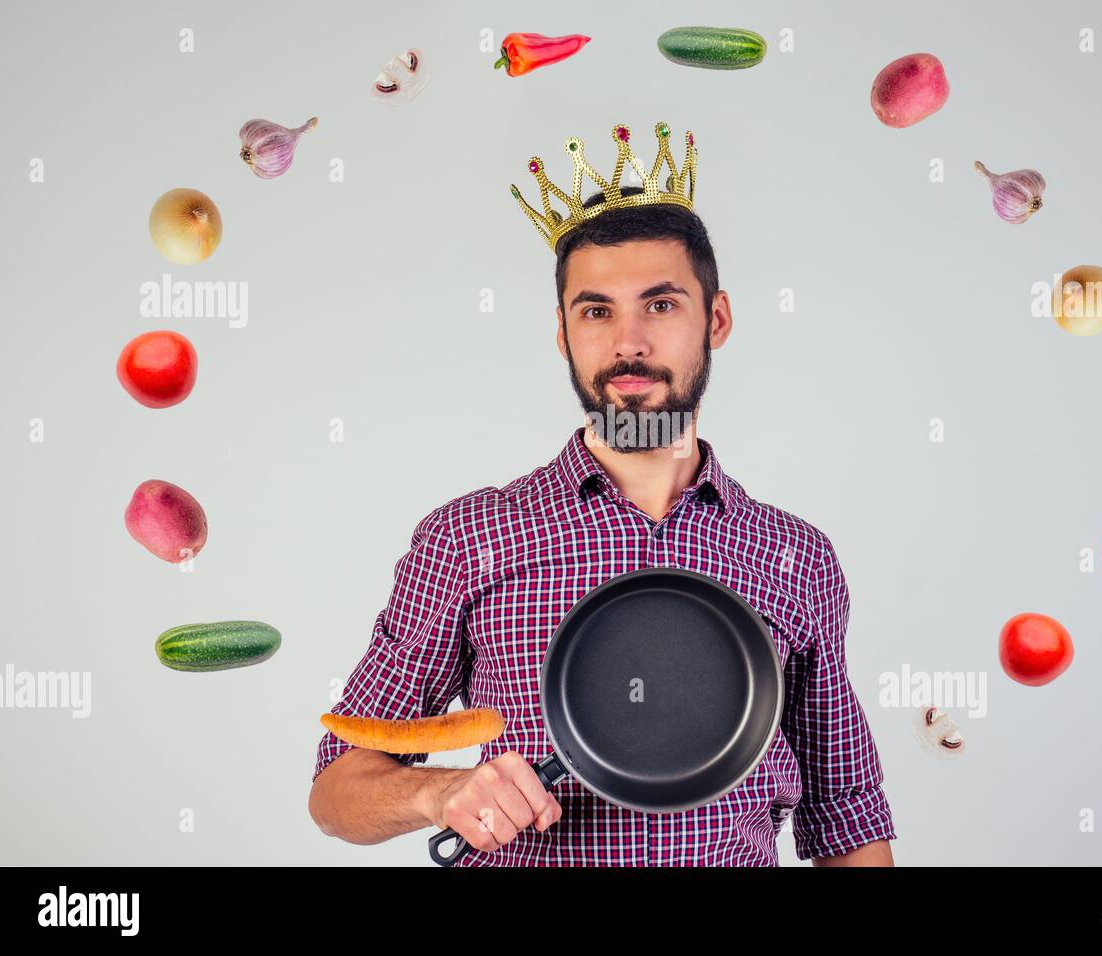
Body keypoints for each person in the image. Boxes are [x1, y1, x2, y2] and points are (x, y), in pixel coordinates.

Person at [308, 122, 895, 866]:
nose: (628, 343)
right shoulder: (468, 538)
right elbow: (337, 788)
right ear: (562, 332)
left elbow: (845, 813)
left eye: (660, 304)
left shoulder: (795, 557)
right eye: (596, 311)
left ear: (715, 319)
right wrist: (438, 794)